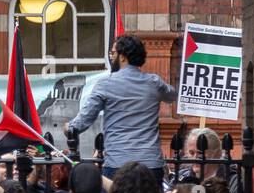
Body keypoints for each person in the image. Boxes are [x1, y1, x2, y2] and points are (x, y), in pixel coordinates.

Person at [67, 35, 176, 183]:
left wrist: (69, 127)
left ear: (123, 57)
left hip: (118, 164)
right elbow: (172, 96)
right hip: (150, 163)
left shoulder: (105, 83)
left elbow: (83, 121)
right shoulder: (154, 82)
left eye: (113, 53)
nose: (111, 57)